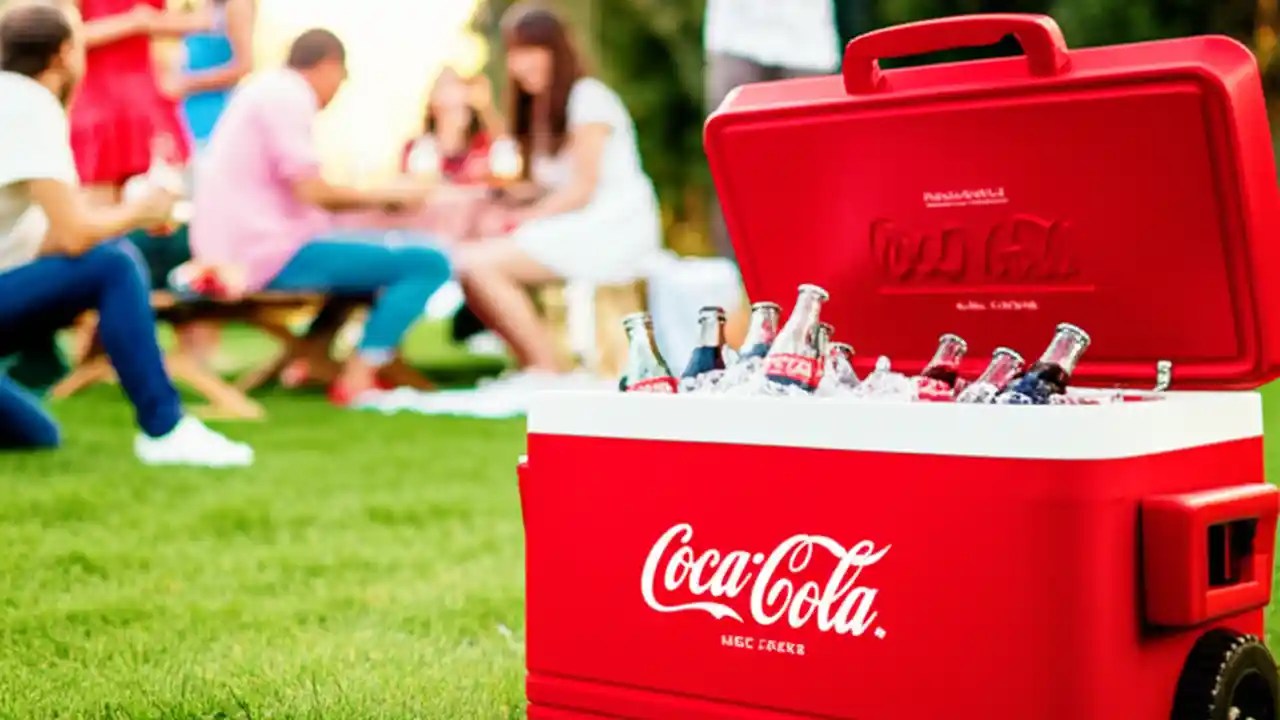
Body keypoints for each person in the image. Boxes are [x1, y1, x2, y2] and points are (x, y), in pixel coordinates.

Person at [0, 2, 252, 466]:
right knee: (113, 264)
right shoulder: (29, 104)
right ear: (63, 55)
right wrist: (138, 212)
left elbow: (50, 242)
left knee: (37, 436)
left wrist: (127, 214)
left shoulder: (11, 102)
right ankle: (165, 428)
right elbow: (75, 238)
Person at [190, 28, 452, 405]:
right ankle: (358, 376)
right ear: (329, 65)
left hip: (239, 249)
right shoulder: (288, 95)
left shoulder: (263, 90)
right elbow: (313, 191)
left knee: (384, 256)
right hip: (262, 255)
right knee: (429, 260)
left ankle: (313, 361)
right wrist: (389, 195)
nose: (336, 93)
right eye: (340, 81)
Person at [452, 3, 662, 382]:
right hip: (579, 221)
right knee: (468, 256)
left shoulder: (588, 97)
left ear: (556, 51)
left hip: (612, 225)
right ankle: (535, 360)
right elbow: (547, 185)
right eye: (515, 53)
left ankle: (546, 366)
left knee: (477, 264)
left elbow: (582, 188)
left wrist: (520, 220)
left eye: (532, 51)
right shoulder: (540, 109)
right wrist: (495, 200)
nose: (521, 64)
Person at [703, 0, 841, 262]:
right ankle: (735, 283)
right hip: (733, 37)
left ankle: (815, 277)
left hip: (808, 42)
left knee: (813, 177)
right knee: (730, 173)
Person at [169, 0, 255, 150]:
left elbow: (244, 65)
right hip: (189, 113)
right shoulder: (206, 5)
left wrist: (189, 83)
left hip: (215, 114)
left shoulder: (238, 4)